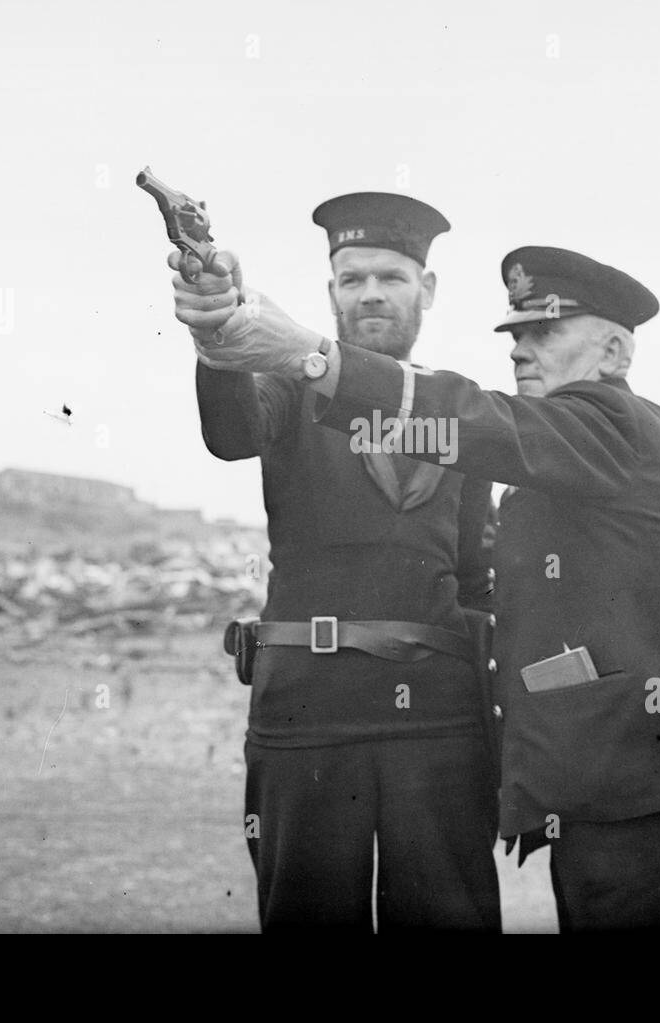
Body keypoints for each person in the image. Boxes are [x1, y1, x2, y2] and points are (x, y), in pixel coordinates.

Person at [179, 244, 660, 932]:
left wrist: (313, 354)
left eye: (544, 333)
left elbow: (480, 427)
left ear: (614, 352)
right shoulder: (572, 450)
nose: (519, 350)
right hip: (611, 784)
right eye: (515, 334)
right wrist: (220, 336)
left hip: (646, 785)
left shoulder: (616, 425)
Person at [172, 193, 501, 931]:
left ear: (428, 290)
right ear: (330, 294)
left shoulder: (459, 412)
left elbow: (478, 581)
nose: (372, 293)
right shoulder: (289, 387)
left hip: (439, 725)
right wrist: (216, 330)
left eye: (391, 276)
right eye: (352, 280)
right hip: (306, 715)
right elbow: (230, 430)